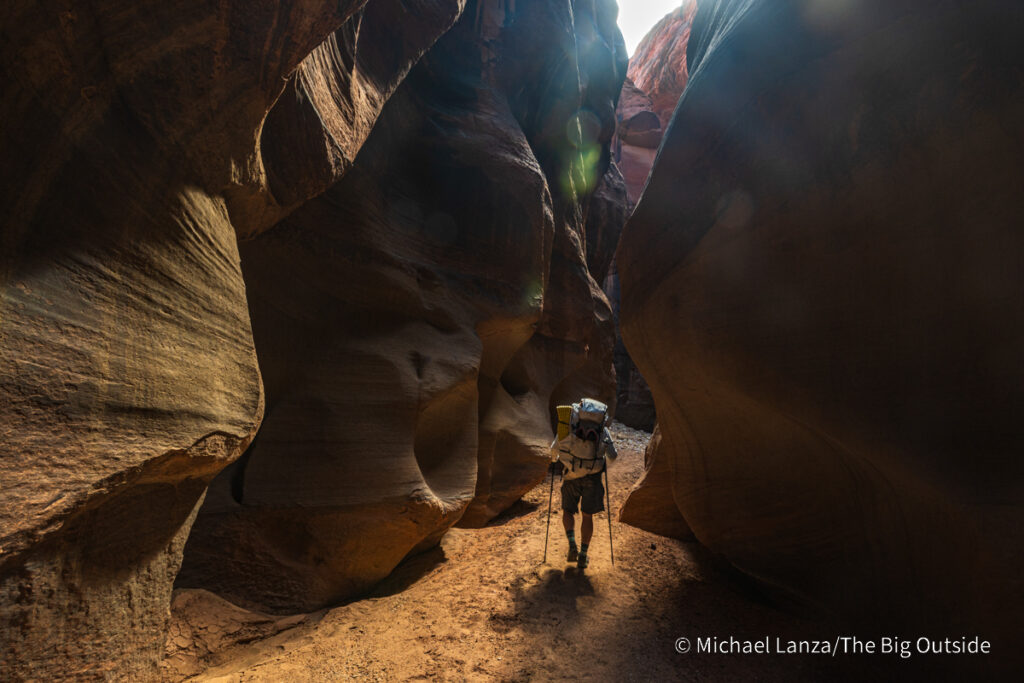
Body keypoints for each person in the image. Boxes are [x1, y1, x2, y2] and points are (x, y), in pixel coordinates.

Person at [549, 398, 617, 569]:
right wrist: (601, 461)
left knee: (568, 511)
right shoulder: (603, 431)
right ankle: (583, 555)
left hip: (571, 475)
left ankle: (572, 545)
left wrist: (556, 460)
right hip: (592, 478)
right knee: (587, 516)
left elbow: (554, 449)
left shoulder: (568, 428)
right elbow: (613, 456)